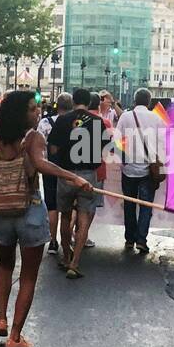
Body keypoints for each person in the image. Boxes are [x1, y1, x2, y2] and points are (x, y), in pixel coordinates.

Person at [0, 91, 92, 347]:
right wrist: (74, 178)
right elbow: (42, 165)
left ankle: (1, 319)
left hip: (0, 211)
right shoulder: (33, 137)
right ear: (20, 113)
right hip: (27, 210)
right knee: (29, 276)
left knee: (6, 265)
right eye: (32, 109)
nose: (37, 112)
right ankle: (15, 338)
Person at [50, 89, 106, 279]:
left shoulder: (63, 120)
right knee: (83, 216)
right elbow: (104, 150)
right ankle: (75, 263)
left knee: (65, 215)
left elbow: (53, 148)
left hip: (66, 174)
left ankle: (66, 257)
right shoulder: (97, 122)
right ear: (89, 102)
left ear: (73, 101)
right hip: (88, 175)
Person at [115, 88, 166, 255]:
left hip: (129, 168)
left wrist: (122, 162)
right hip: (148, 171)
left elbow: (116, 142)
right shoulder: (156, 119)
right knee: (146, 207)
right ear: (149, 102)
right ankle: (141, 240)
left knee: (129, 205)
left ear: (135, 101)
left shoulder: (126, 116)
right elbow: (163, 145)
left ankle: (129, 238)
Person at [41, 93, 73, 256]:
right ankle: (68, 242)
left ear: (57, 105)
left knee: (52, 206)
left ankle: (53, 242)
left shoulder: (45, 122)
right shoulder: (75, 123)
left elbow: (40, 147)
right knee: (68, 208)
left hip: (49, 167)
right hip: (68, 169)